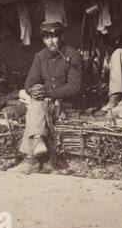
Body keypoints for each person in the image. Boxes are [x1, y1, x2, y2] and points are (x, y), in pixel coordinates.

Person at [13, 20, 84, 173]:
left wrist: (47, 93)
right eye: (46, 38)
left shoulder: (72, 55)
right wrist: (33, 90)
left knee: (36, 104)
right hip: (44, 101)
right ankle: (37, 141)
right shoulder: (40, 56)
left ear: (62, 37)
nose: (51, 41)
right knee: (36, 101)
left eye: (54, 37)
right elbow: (29, 82)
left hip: (65, 103)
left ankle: (31, 159)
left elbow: (75, 87)